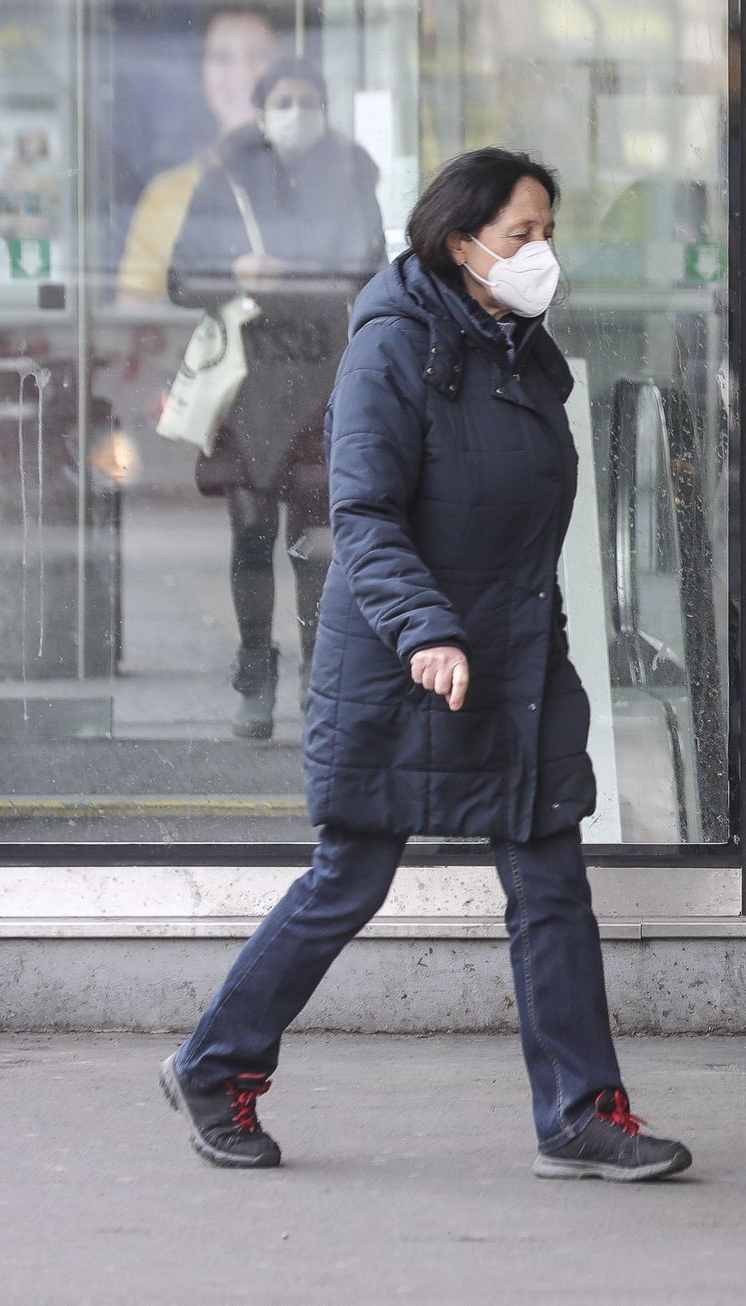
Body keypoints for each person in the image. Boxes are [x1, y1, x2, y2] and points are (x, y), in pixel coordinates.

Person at [158, 146, 692, 1182]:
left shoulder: (519, 345)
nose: (542, 254)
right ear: (461, 245)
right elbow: (359, 512)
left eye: (548, 232)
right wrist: (427, 632)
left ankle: (581, 1113)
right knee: (350, 874)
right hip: (406, 659)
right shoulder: (391, 346)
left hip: (518, 653)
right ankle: (213, 1064)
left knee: (549, 880)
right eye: (521, 235)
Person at [168, 58, 387, 739]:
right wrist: (234, 271)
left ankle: (320, 683)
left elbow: (374, 268)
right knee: (251, 534)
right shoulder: (223, 180)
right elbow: (180, 278)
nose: (298, 112)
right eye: (285, 101)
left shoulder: (354, 176)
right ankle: (254, 675)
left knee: (317, 540)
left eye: (310, 100)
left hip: (325, 372)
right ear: (260, 115)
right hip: (252, 378)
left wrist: (330, 285)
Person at [116, 4, 282, 307]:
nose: (244, 73)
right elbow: (135, 318)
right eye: (222, 58)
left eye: (260, 55)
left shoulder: (325, 180)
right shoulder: (167, 195)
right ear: (201, 74)